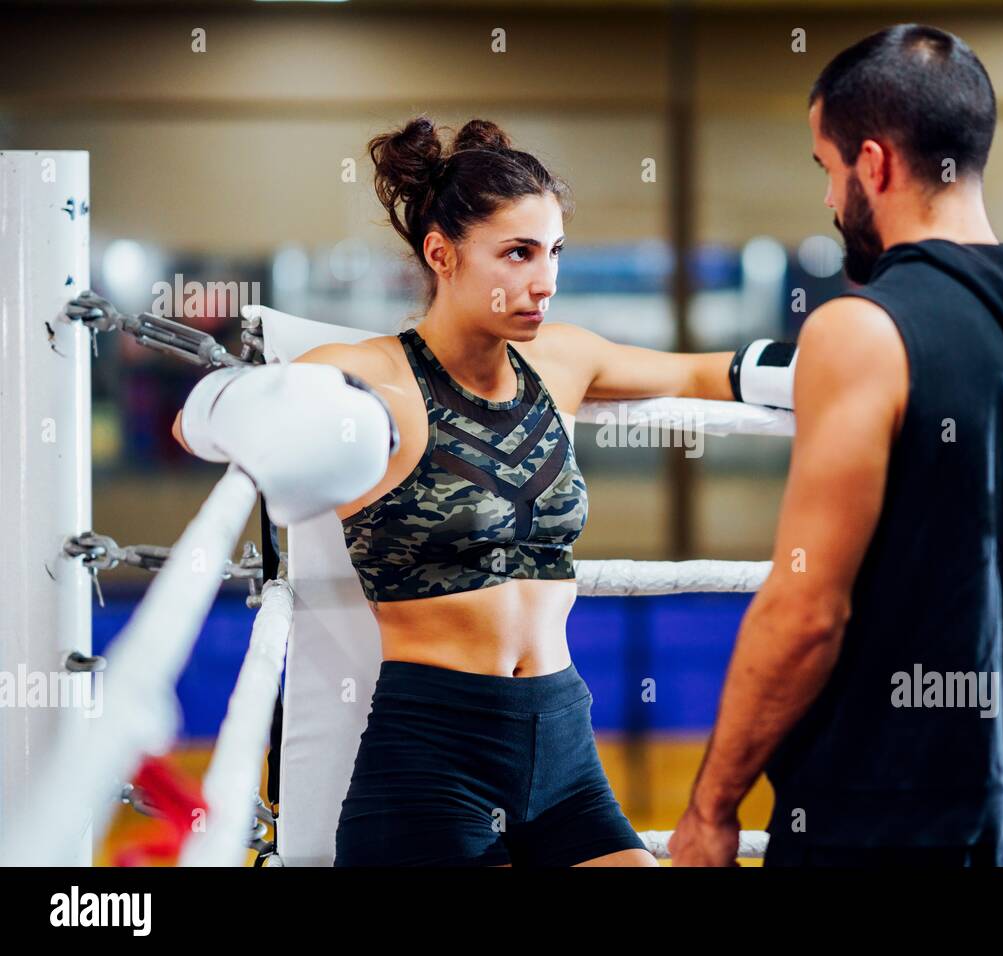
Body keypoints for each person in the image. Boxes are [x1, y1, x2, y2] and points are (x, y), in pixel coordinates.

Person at [173, 115, 797, 866]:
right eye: (519, 254)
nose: (547, 281)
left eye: (555, 252)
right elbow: (197, 418)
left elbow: (709, 373)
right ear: (442, 254)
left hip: (561, 740)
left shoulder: (563, 361)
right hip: (431, 759)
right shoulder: (367, 375)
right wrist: (262, 409)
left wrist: (853, 368)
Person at [669, 24, 1003, 868]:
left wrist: (712, 805)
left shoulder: (861, 331)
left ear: (874, 163)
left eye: (827, 169)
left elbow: (808, 610)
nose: (828, 201)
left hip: (878, 814)